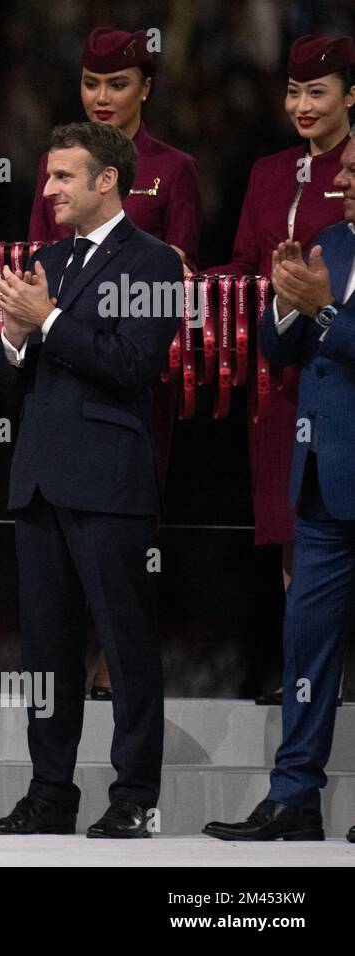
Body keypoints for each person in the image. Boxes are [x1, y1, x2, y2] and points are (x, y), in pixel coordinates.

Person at [0, 122, 182, 838]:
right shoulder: (47, 259)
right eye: (47, 175)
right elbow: (4, 379)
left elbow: (132, 365)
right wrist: (10, 334)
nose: (50, 189)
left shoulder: (156, 264)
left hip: (109, 479)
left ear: (107, 181)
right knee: (46, 651)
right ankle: (50, 793)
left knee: (124, 644)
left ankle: (134, 797)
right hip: (38, 476)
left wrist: (49, 318)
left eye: (65, 176)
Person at [27, 27, 201, 700]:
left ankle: (115, 657)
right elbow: (40, 255)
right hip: (57, 363)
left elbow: (186, 267)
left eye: (118, 83)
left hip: (134, 363)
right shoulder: (59, 160)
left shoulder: (174, 167)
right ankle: (76, 671)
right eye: (91, 83)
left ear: (146, 88)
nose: (102, 96)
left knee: (126, 513)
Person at [203, 138, 355, 842]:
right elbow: (277, 347)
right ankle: (294, 798)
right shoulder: (329, 242)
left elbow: (335, 327)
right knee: (305, 646)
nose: (342, 179)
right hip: (323, 484)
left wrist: (324, 311)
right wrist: (289, 305)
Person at [204, 35, 355, 705]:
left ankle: (337, 686)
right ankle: (306, 684)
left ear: (350, 97)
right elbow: (241, 266)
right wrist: (190, 283)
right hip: (278, 381)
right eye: (293, 92)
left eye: (317, 92)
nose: (302, 104)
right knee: (293, 534)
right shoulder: (267, 172)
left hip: (345, 373)